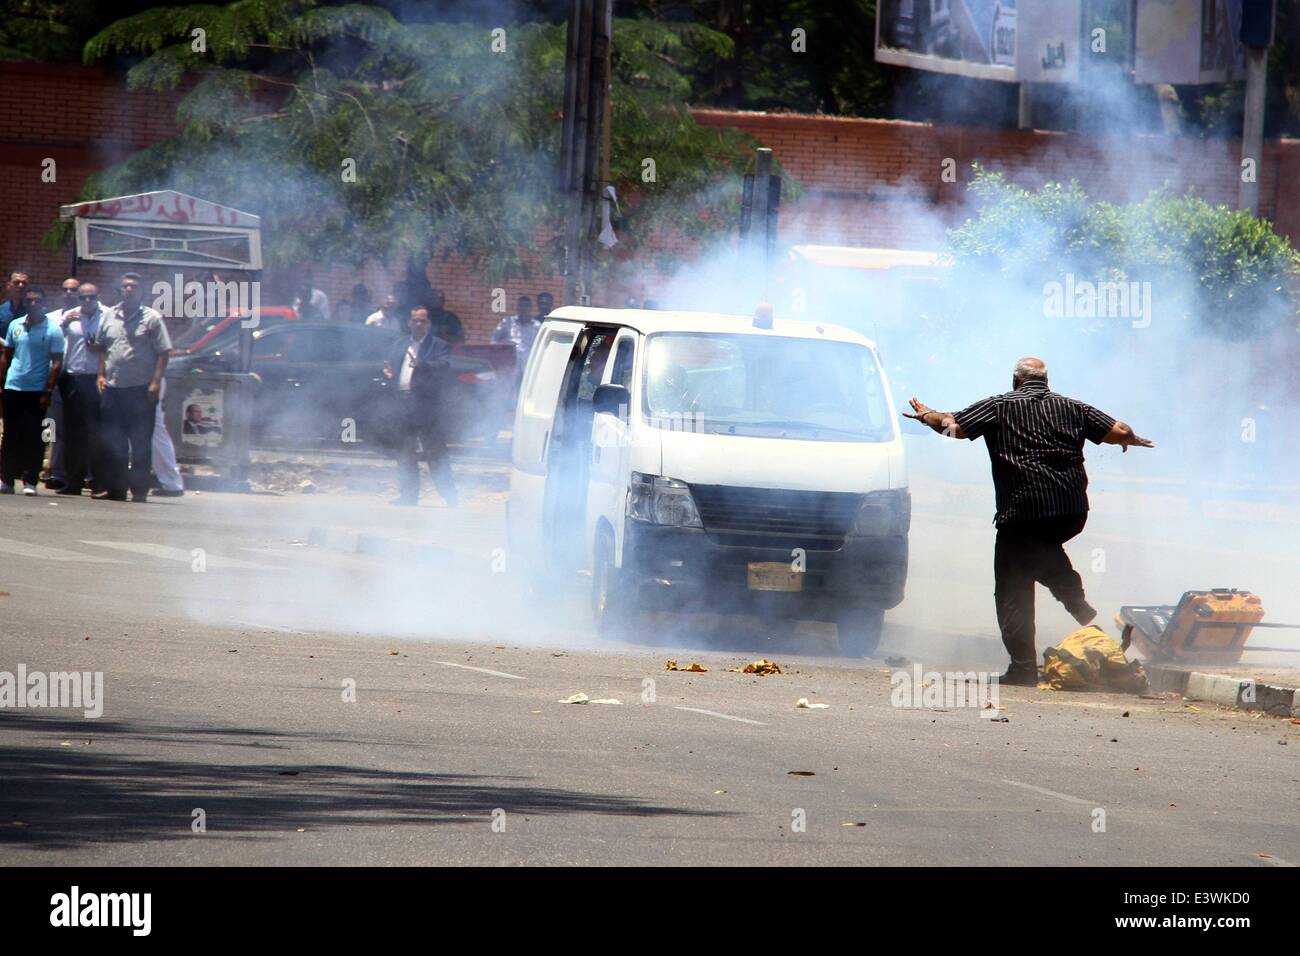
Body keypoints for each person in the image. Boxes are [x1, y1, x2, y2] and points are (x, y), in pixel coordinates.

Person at [904, 357, 1153, 685]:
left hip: (1023, 513)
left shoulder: (999, 405)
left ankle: (1028, 662)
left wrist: (927, 416)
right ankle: (1078, 603)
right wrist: (1130, 439)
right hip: (1071, 513)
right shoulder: (1074, 408)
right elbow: (1118, 430)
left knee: (1012, 589)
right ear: (1046, 381)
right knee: (1039, 553)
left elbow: (954, 427)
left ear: (1015, 380)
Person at [95, 273, 171, 502]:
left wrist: (156, 382)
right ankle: (116, 489)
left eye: (134, 287)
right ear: (120, 290)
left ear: (141, 292)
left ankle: (139, 490)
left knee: (140, 441)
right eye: (125, 287)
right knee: (114, 442)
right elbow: (102, 347)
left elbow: (164, 352)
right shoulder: (109, 315)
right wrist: (100, 374)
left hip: (141, 389)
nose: (129, 290)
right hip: (114, 387)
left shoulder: (152, 318)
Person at [383, 306, 458, 508]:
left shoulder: (437, 346)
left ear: (428, 324)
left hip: (426, 408)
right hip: (402, 404)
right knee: (405, 453)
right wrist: (387, 371)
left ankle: (450, 496)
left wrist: (422, 364)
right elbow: (390, 365)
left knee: (435, 454)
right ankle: (409, 496)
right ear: (409, 323)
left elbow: (443, 367)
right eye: (415, 320)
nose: (418, 324)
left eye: (422, 321)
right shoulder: (400, 344)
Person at [0, 286, 64, 495]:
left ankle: (30, 481)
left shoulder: (52, 329)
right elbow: (7, 355)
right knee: (10, 434)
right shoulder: (15, 325)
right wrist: (1, 381)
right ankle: (6, 480)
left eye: (37, 300)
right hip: (14, 386)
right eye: (29, 301)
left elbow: (56, 363)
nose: (33, 304)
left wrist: (47, 391)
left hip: (37, 390)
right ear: (25, 303)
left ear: (43, 303)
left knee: (34, 436)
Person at [55, 282, 108, 496]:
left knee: (95, 433)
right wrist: (64, 324)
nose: (87, 301)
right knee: (72, 433)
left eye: (91, 297)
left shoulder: (107, 316)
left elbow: (111, 344)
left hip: (94, 379)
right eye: (83, 297)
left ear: (97, 297)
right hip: (72, 378)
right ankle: (73, 481)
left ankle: (97, 482)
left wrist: (99, 348)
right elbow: (58, 340)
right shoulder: (71, 316)